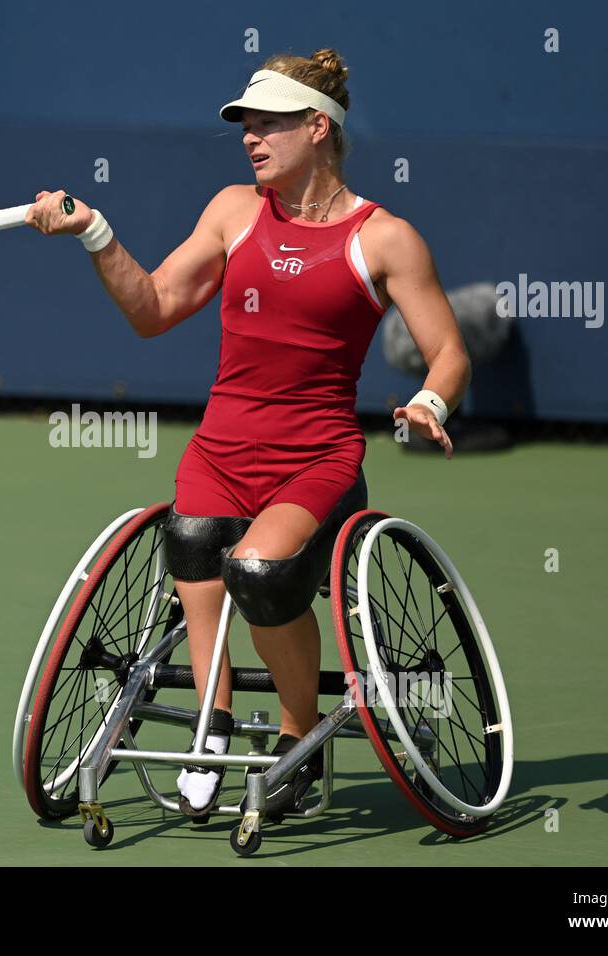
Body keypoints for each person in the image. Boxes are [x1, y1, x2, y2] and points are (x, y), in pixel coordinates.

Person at [24, 49, 470, 817]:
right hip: (220, 452)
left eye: (268, 125)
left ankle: (298, 733)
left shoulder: (386, 238)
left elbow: (449, 352)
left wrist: (431, 400)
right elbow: (154, 307)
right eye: (245, 126)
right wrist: (93, 231)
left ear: (317, 127)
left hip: (315, 462)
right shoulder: (233, 210)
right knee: (194, 540)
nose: (250, 139)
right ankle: (214, 724)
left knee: (260, 574)